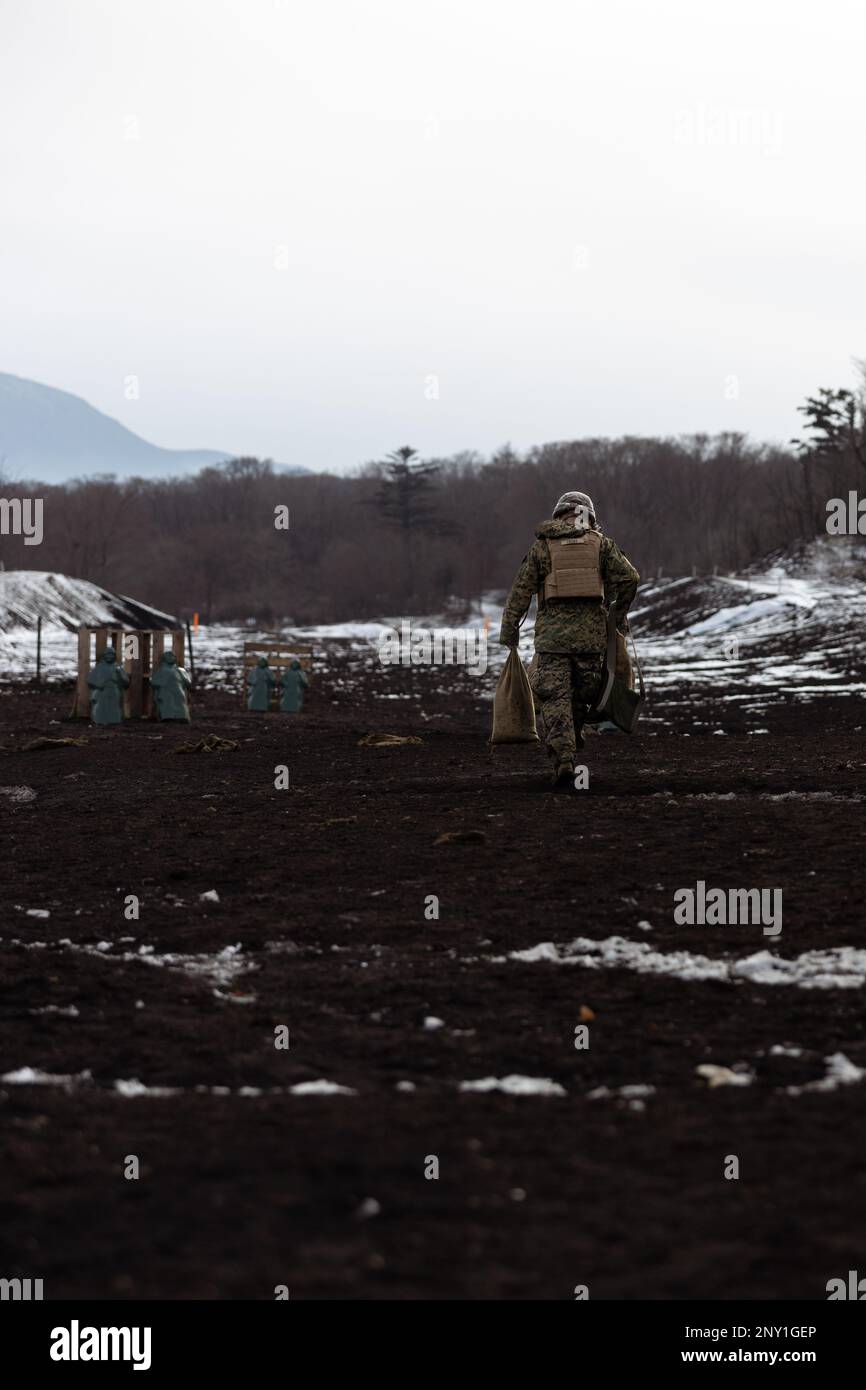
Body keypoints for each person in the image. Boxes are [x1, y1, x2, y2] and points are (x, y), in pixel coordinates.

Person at [499, 490, 639, 788]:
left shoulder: (542, 547)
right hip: (591, 641)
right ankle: (572, 742)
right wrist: (617, 614)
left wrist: (509, 631)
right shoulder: (601, 545)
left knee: (554, 697)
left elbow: (520, 592)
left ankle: (564, 757)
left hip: (552, 641)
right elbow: (630, 578)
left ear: (558, 515)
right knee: (580, 696)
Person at [87, 646, 130, 725]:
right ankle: (100, 720)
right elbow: (90, 680)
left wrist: (119, 676)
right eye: (107, 654)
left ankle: (114, 720)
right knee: (101, 707)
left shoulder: (118, 668)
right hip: (102, 692)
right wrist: (99, 684)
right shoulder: (99, 668)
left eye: (112, 654)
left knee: (115, 707)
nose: (110, 656)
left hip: (114, 692)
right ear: (104, 656)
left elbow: (126, 683)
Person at [150, 650, 192, 722]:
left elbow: (188, 682)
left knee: (180, 700)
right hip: (166, 693)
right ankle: (167, 716)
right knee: (167, 700)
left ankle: (182, 716)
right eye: (169, 656)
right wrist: (163, 683)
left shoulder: (180, 670)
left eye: (173, 656)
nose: (172, 657)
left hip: (179, 693)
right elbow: (154, 682)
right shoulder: (162, 670)